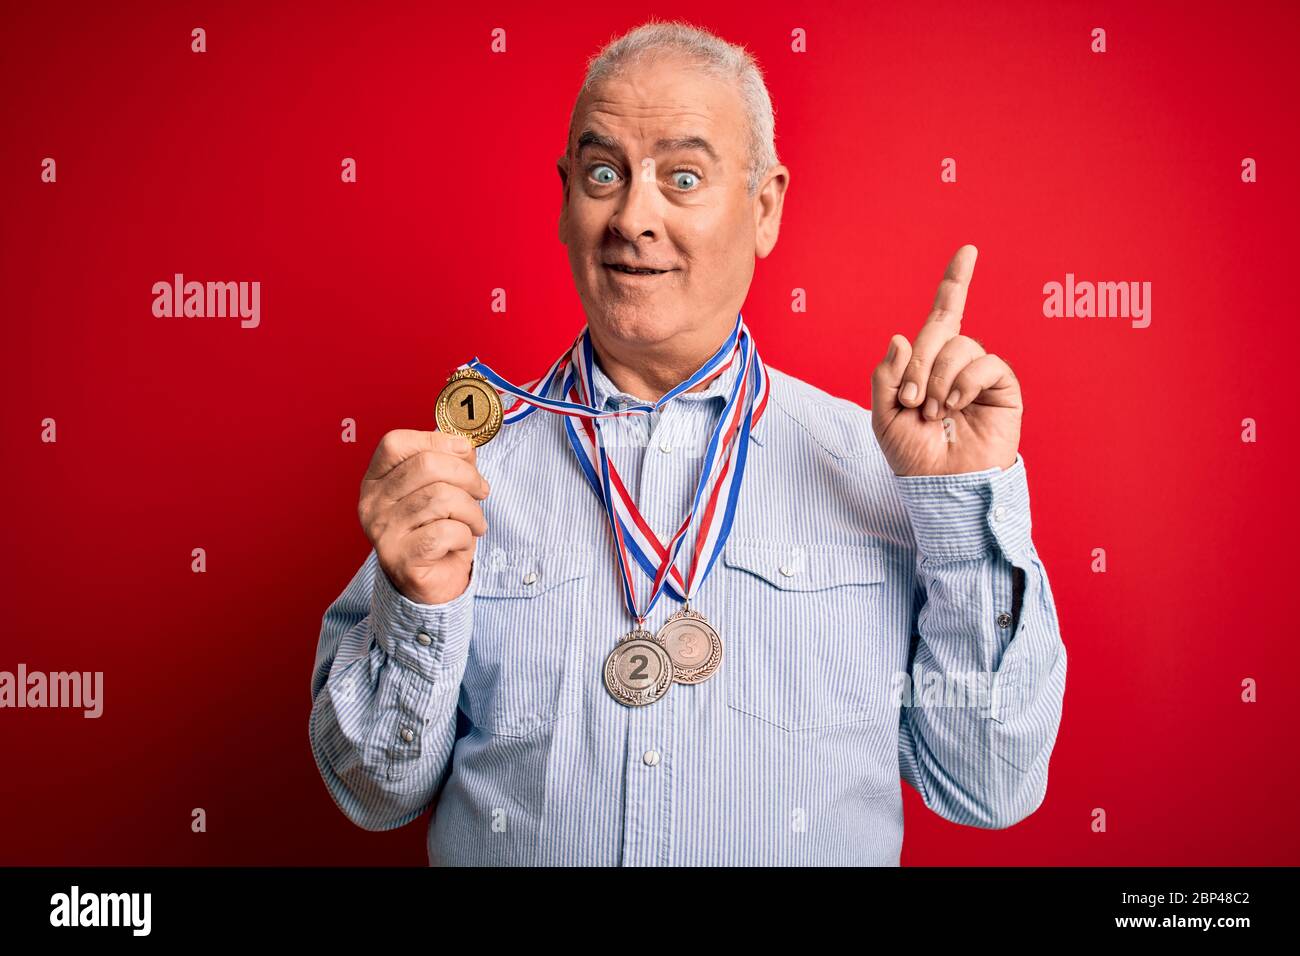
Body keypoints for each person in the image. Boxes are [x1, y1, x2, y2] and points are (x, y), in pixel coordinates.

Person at [308, 18, 1066, 866]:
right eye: (604, 173)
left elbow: (989, 783)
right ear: (565, 201)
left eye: (683, 177)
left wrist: (962, 513)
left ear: (765, 206)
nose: (634, 216)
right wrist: (418, 602)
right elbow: (374, 794)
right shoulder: (459, 481)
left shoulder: (882, 472)